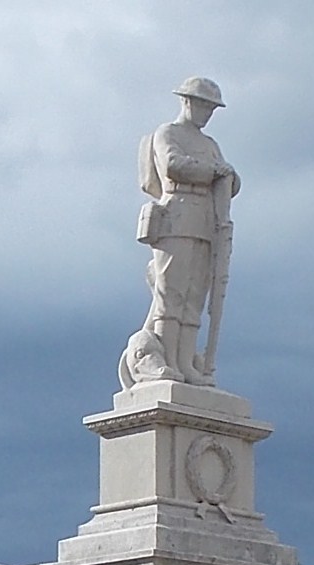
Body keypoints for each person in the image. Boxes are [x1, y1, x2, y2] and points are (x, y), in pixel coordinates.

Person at [120, 77, 240, 389]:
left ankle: (185, 362)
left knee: (194, 296)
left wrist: (227, 176)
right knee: (170, 292)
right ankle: (163, 359)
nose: (207, 113)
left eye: (211, 108)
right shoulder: (167, 133)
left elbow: (230, 180)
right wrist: (214, 172)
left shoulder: (210, 145)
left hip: (204, 220)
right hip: (176, 214)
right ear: (187, 102)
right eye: (203, 105)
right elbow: (173, 165)